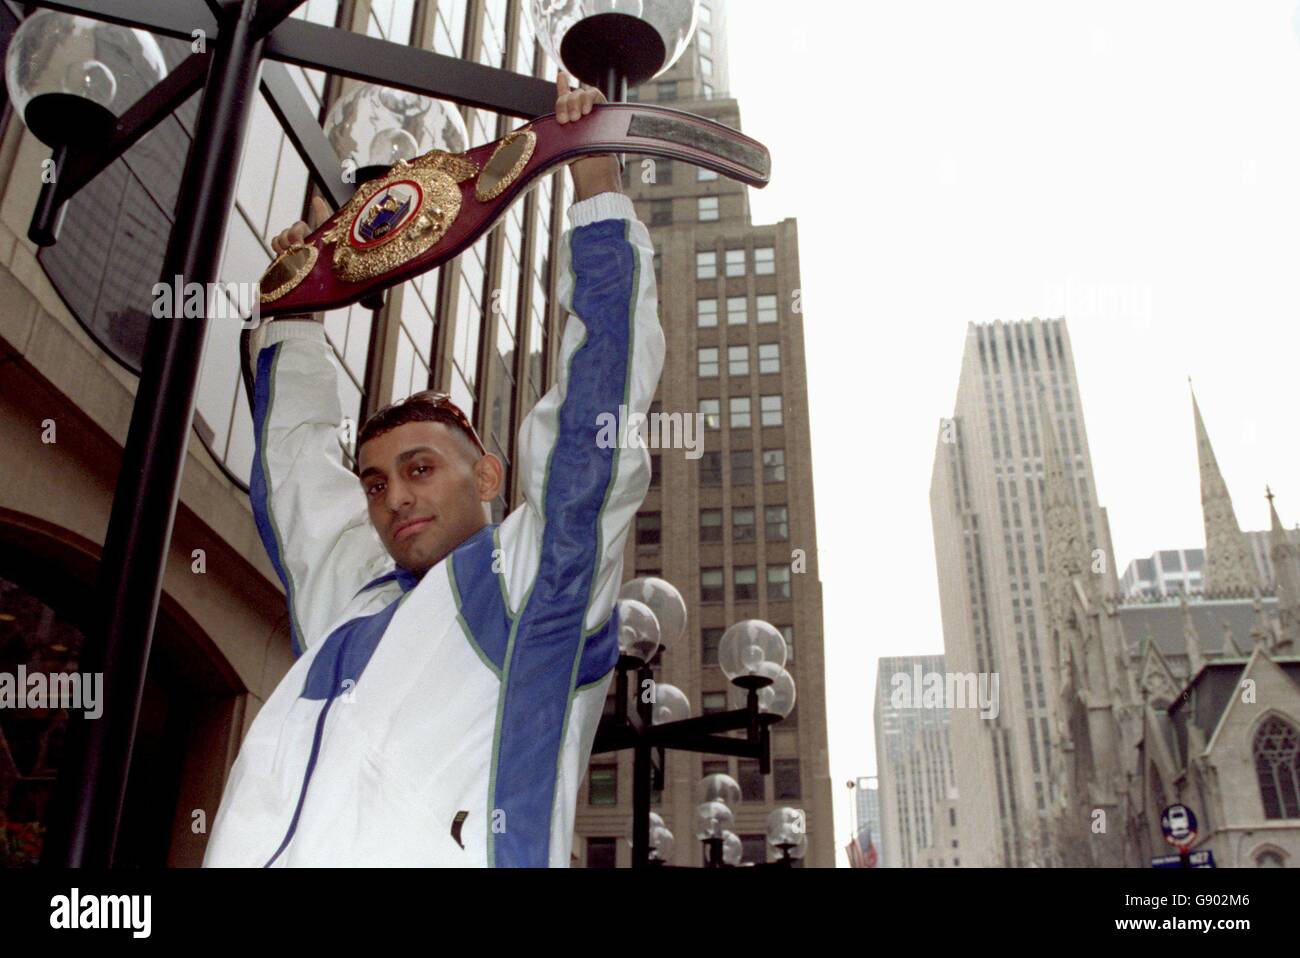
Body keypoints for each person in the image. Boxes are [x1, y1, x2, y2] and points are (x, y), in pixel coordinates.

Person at [202, 72, 664, 867]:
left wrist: (592, 177)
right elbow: (293, 466)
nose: (393, 498)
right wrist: (297, 310)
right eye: (375, 482)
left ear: (487, 476)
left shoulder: (532, 589)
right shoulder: (352, 596)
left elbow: (598, 416)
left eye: (419, 469)